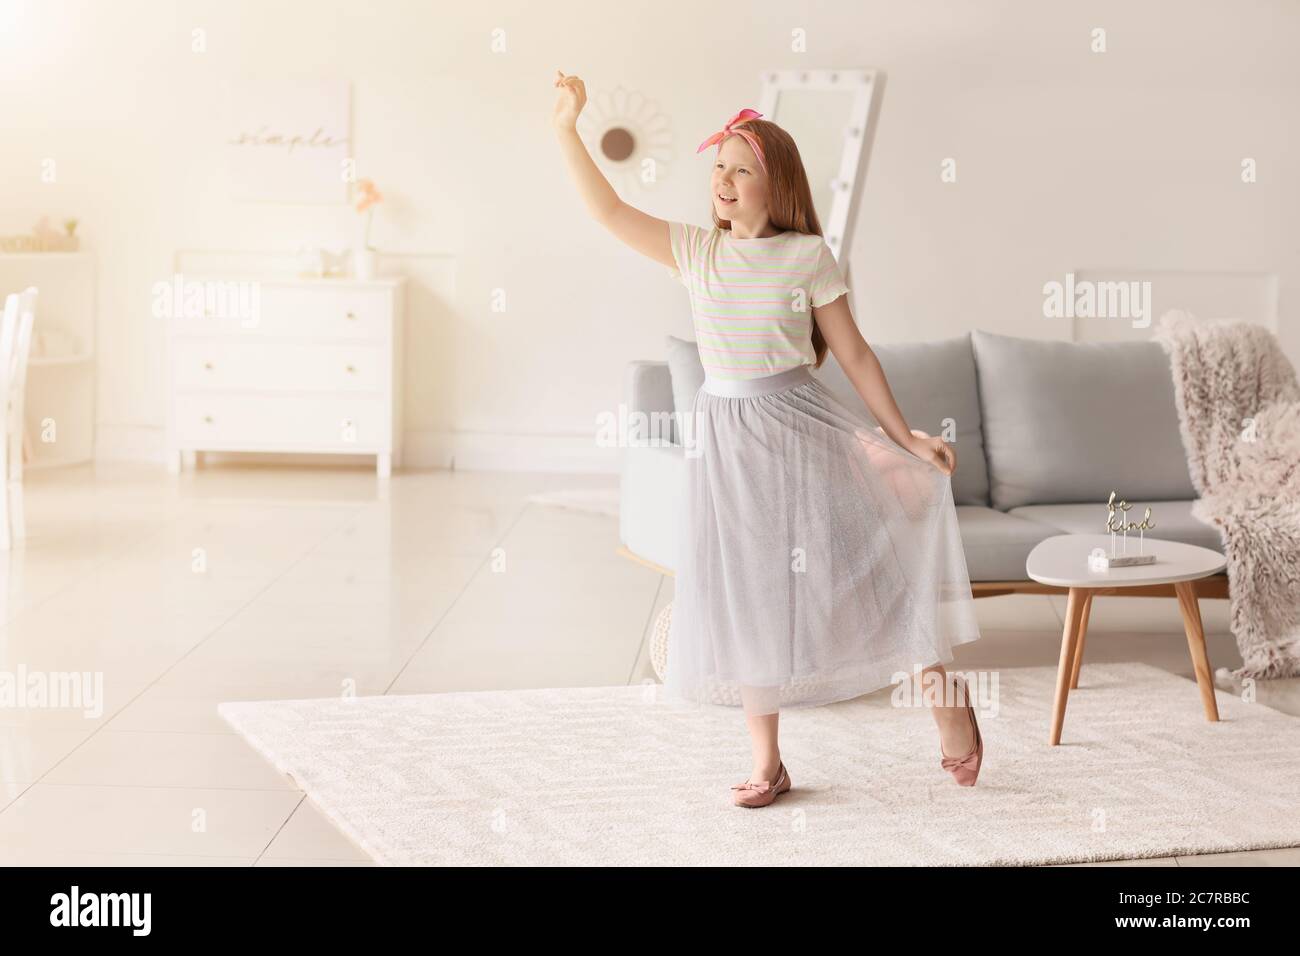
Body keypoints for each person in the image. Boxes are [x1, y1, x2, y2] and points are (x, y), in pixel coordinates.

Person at [553, 71, 984, 807]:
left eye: (739, 169)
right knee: (748, 596)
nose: (722, 180)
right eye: (716, 168)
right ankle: (768, 762)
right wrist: (566, 128)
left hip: (802, 433)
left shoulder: (808, 257)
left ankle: (946, 700)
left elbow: (853, 355)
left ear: (773, 182)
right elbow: (609, 210)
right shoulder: (697, 251)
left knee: (868, 583)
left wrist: (904, 435)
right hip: (727, 446)